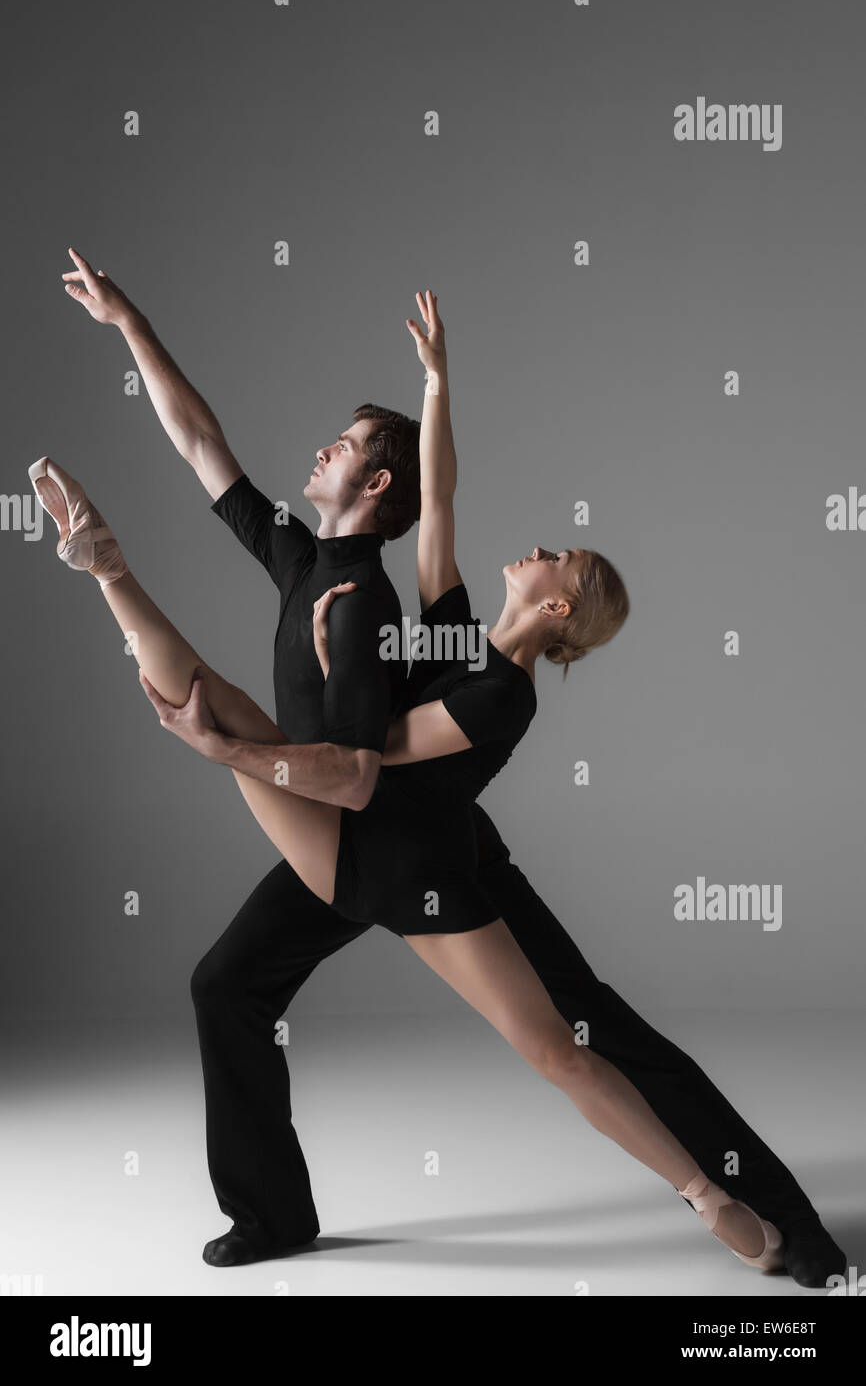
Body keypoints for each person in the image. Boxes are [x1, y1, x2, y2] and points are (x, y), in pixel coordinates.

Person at [43, 252, 845, 1286]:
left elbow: (362, 763)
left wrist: (232, 746)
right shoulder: (439, 624)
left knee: (575, 1037)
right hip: (370, 830)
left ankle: (765, 1215)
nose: (544, 541)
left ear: (558, 607)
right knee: (228, 983)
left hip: (405, 851)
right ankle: (273, 1216)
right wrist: (135, 325)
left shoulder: (484, 684)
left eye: (560, 553)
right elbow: (381, 483)